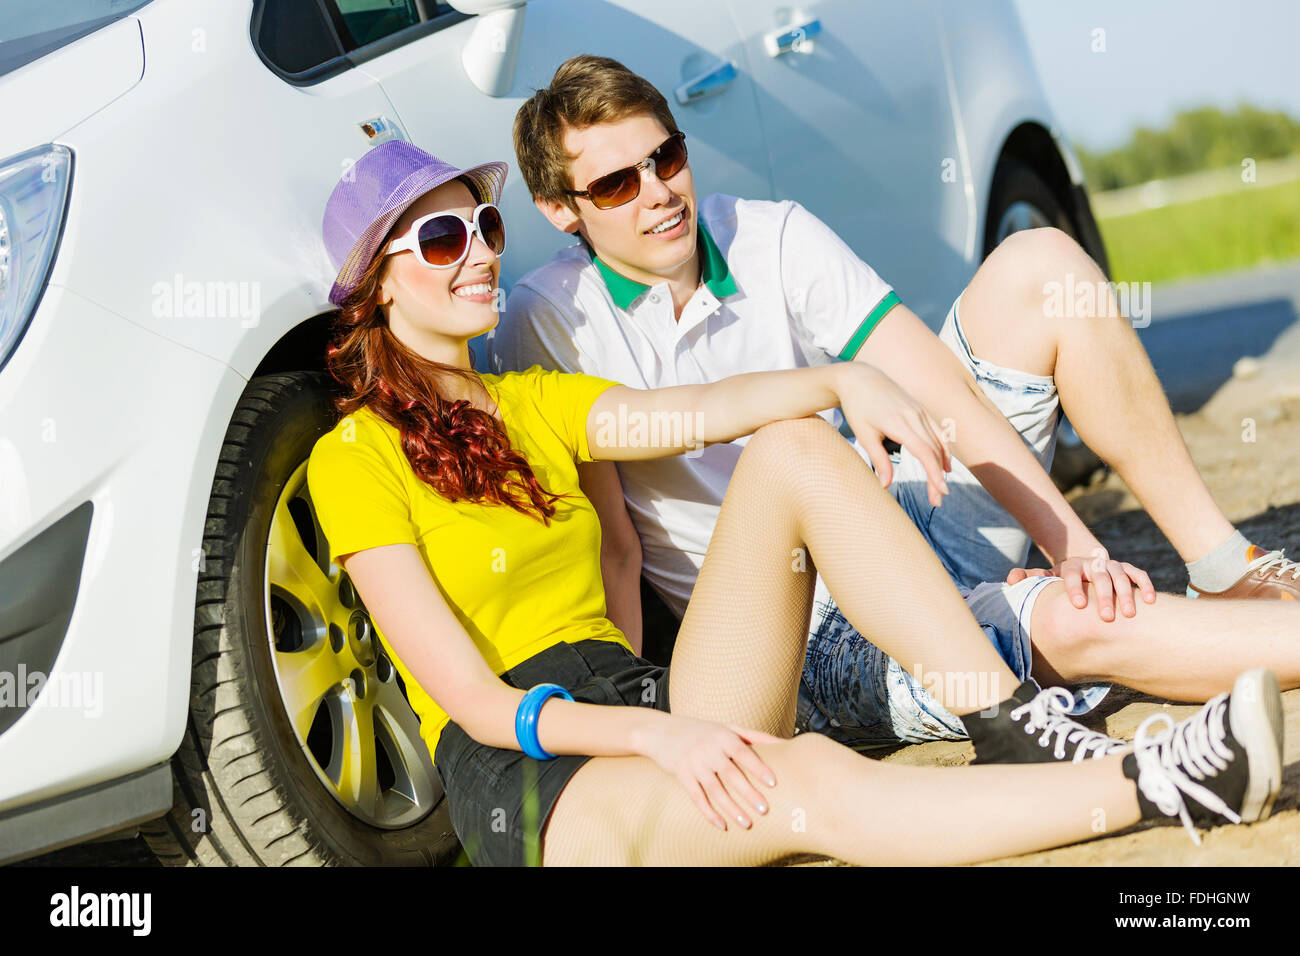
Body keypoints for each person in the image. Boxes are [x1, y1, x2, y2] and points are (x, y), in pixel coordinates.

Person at [306, 139, 1284, 866]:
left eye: (483, 225)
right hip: (536, 767)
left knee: (790, 449)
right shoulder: (350, 459)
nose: (477, 251)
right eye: (441, 236)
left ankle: (1005, 718)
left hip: (648, 693)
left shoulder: (532, 401)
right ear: (376, 284)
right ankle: (1172, 778)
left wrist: (839, 381)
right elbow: (474, 702)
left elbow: (698, 410)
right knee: (805, 784)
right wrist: (659, 732)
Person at [491, 55, 1300, 749]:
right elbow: (614, 549)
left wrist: (1073, 546)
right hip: (806, 624)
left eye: (666, 157)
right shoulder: (548, 319)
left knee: (1043, 264)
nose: (658, 192)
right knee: (1070, 623)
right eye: (617, 183)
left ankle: (1223, 566)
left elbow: (936, 385)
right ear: (561, 210)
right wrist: (640, 735)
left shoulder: (768, 233)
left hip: (899, 505)